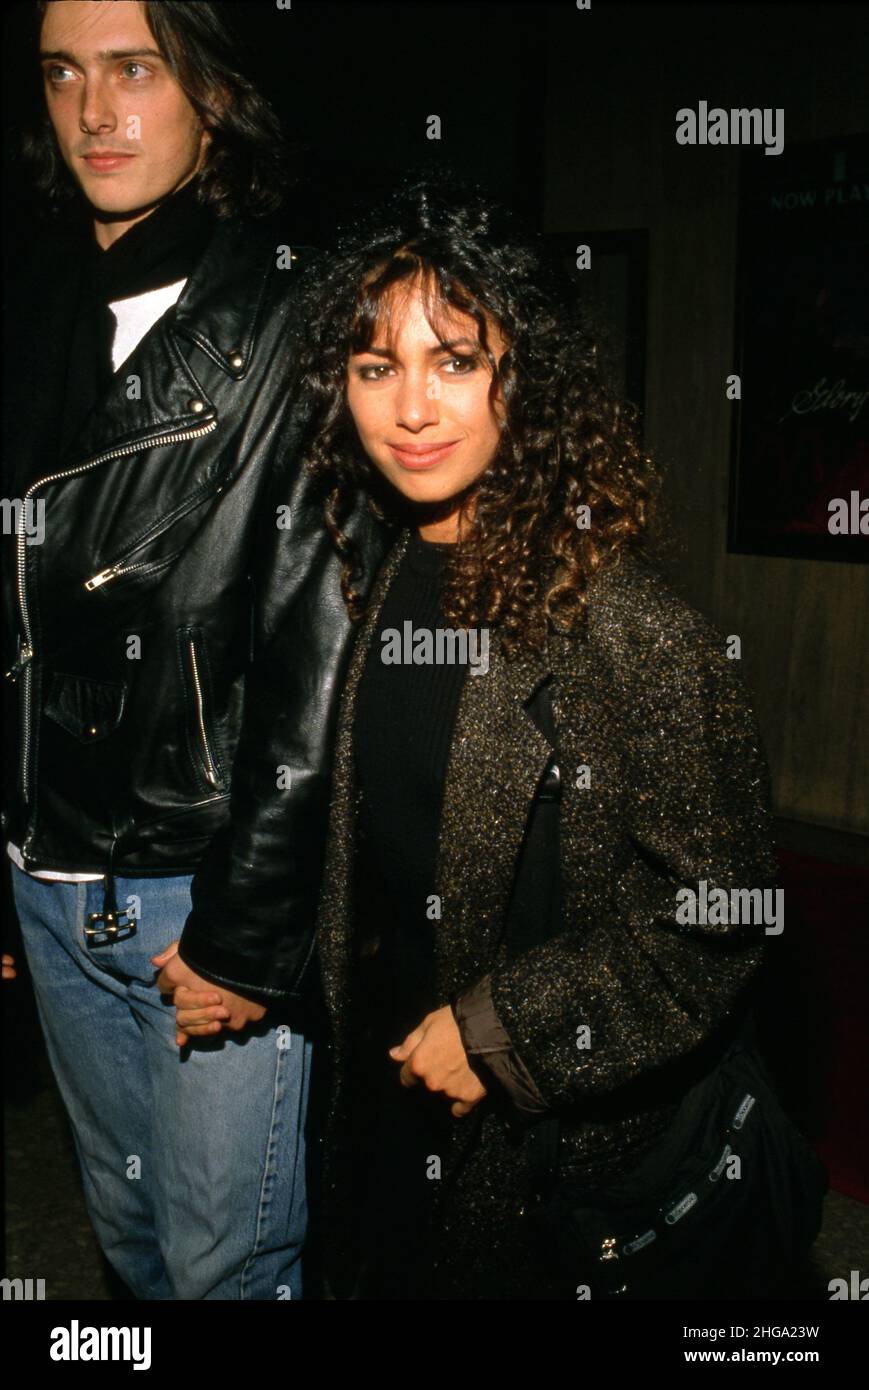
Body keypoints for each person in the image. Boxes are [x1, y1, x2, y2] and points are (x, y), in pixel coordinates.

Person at [176, 177, 781, 1300]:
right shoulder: (378, 568)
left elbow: (723, 916)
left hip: (538, 1167)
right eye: (373, 367)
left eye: (453, 361)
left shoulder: (631, 631)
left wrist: (510, 1032)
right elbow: (386, 855)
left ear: (527, 379)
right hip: (377, 1108)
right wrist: (251, 963)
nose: (409, 409)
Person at [1, 0, 385, 1300]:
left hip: (194, 894)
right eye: (63, 74)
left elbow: (317, 662)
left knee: (226, 1269)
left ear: (211, 92)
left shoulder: (296, 320)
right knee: (131, 1253)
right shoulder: (39, 306)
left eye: (134, 69)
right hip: (46, 875)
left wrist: (248, 930)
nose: (94, 112)